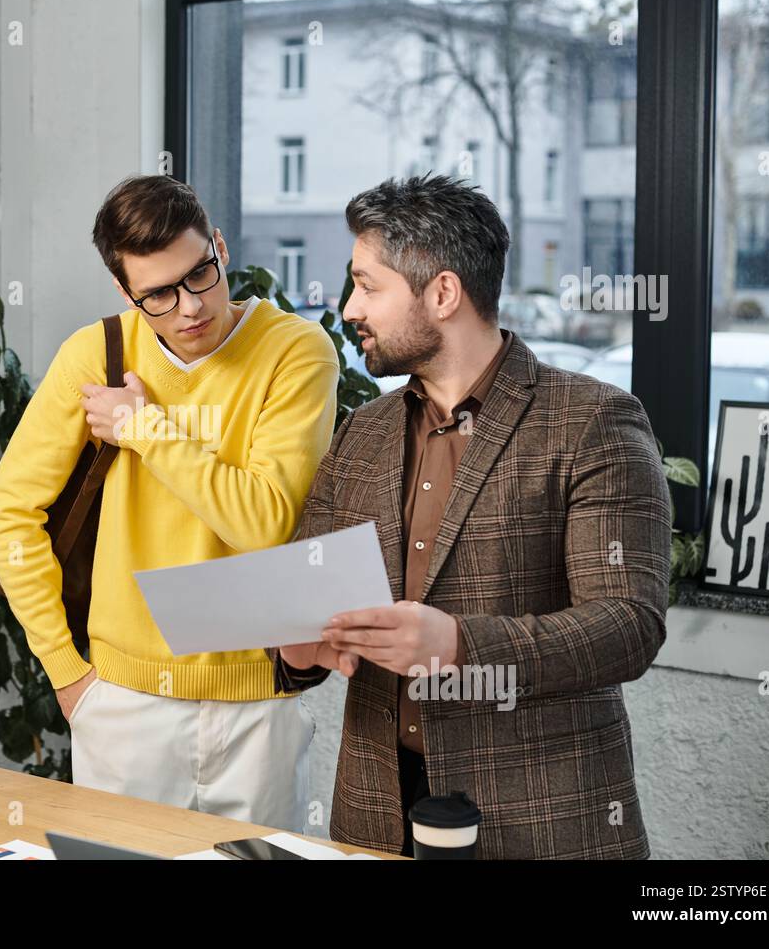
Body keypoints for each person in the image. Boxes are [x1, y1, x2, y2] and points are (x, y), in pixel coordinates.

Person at [270, 173, 671, 858]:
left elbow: (628, 625)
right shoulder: (360, 433)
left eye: (368, 285)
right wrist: (298, 649)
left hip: (542, 821)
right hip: (377, 816)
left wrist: (459, 646)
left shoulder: (593, 422)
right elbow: (312, 598)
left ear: (444, 293)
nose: (349, 307)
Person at [0, 174, 340, 831]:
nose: (189, 308)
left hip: (258, 705)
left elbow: (263, 522)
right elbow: (6, 514)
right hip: (121, 705)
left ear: (220, 248)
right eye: (159, 295)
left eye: (199, 274)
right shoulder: (98, 355)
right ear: (125, 292)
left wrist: (145, 429)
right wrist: (68, 676)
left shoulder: (296, 351)